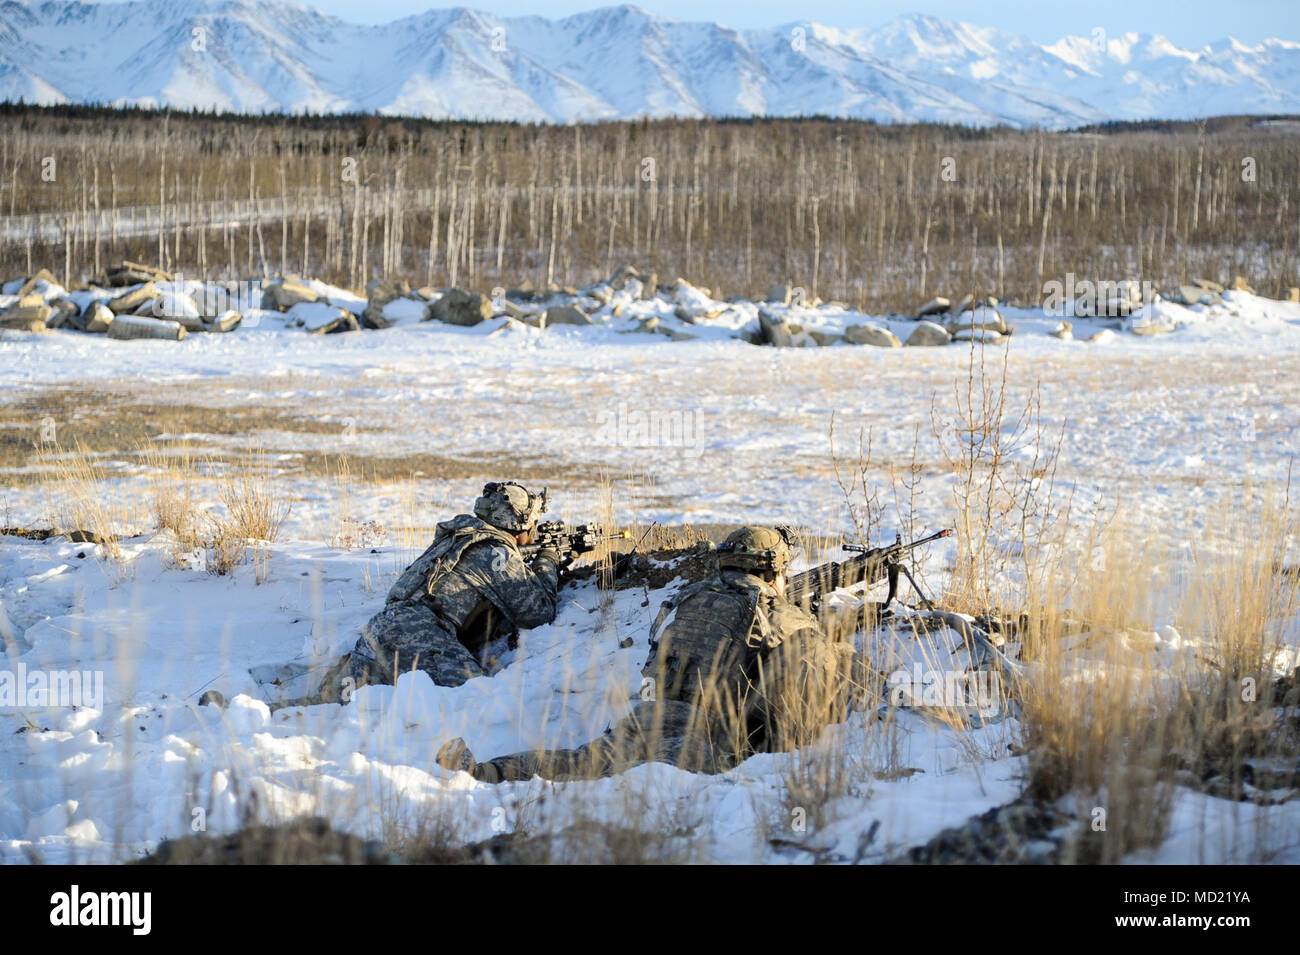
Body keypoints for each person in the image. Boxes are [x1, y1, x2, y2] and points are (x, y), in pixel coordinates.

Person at [441, 525, 858, 782]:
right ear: (773, 571)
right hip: (707, 743)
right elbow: (799, 706)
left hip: (650, 718)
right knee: (621, 779)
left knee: (579, 765)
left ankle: (484, 774)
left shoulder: (686, 600)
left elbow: (653, 673)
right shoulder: (781, 616)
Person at [349, 481, 560, 688]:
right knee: (473, 702)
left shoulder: (454, 537)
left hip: (378, 628)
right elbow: (538, 613)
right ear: (518, 522)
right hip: (420, 633)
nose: (533, 531)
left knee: (348, 711)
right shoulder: (493, 551)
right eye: (532, 523)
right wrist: (548, 560)